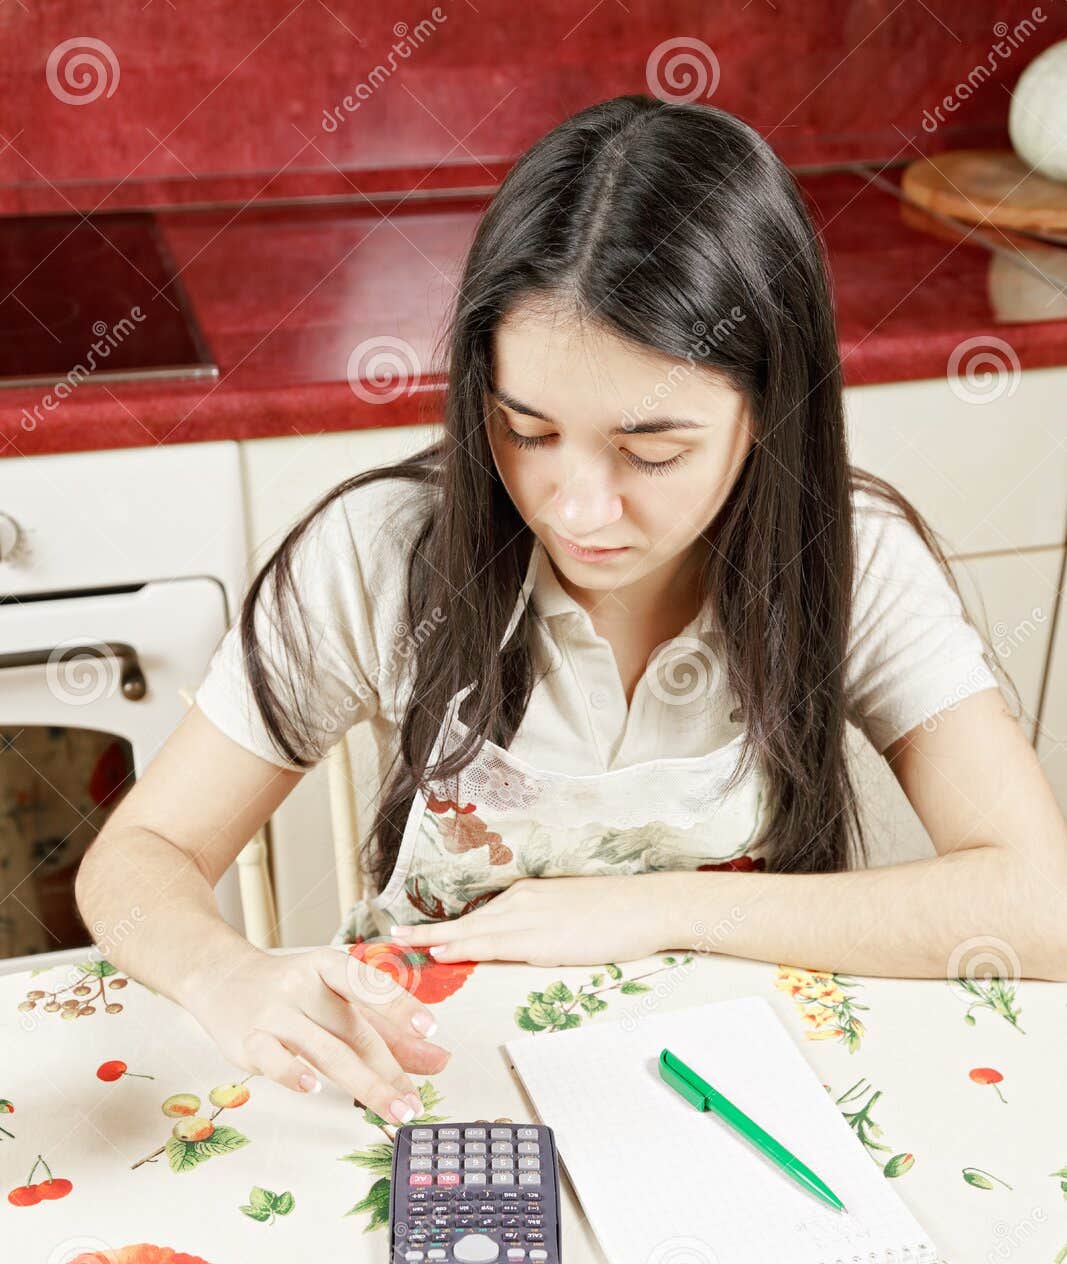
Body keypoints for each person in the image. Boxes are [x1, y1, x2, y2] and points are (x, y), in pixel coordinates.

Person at [76, 95, 1067, 1123]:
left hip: (735, 1088)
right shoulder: (380, 553)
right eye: (528, 432)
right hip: (435, 1086)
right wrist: (223, 973)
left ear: (770, 409)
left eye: (651, 451)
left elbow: (1039, 905)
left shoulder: (852, 558)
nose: (577, 510)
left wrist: (657, 907)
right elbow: (139, 857)